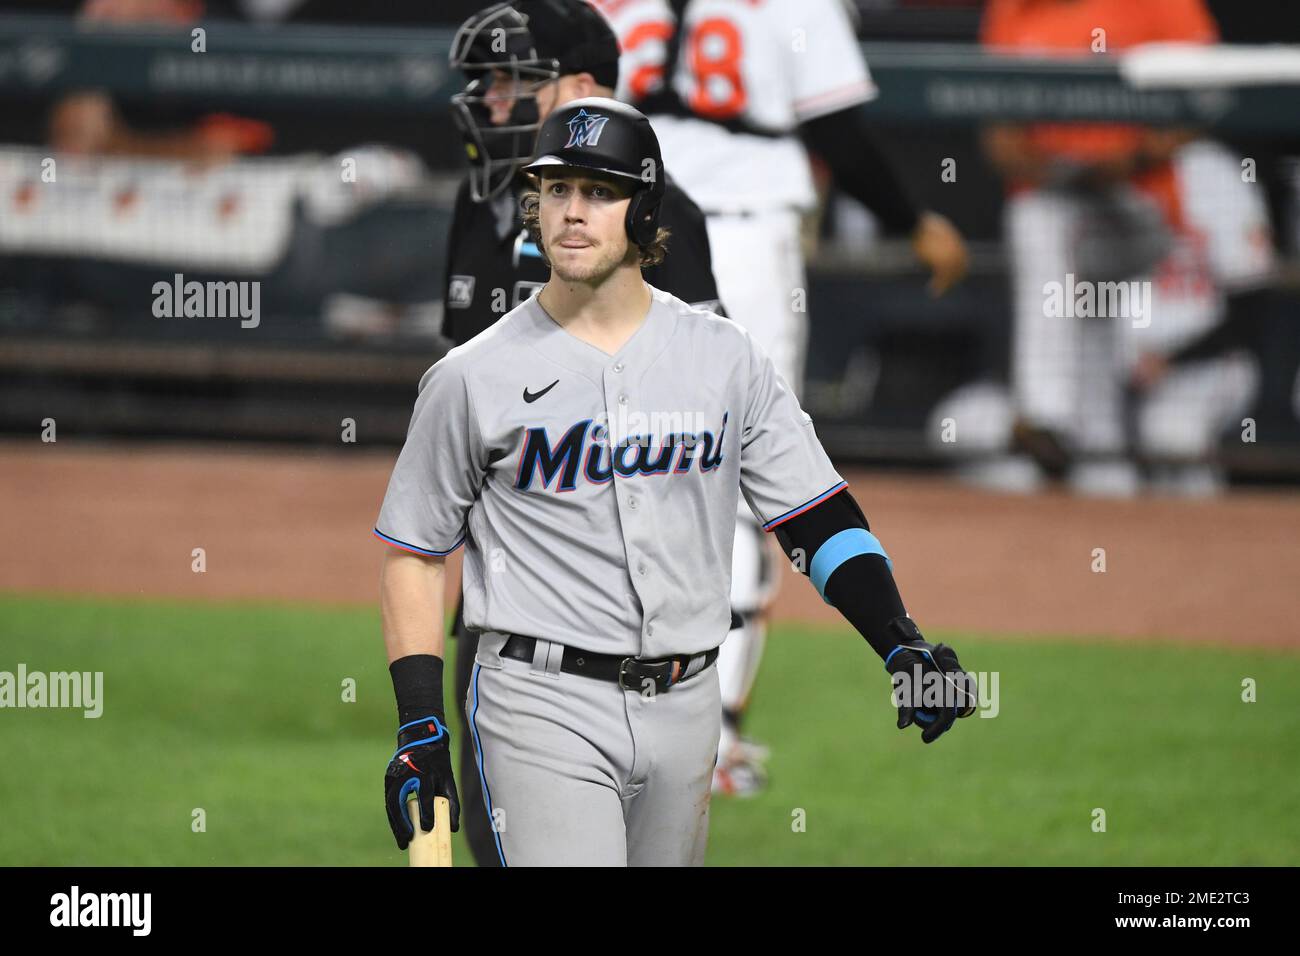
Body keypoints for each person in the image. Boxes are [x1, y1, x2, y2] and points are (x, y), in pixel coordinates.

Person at [375, 97, 976, 866]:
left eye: (599, 191)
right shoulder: (471, 376)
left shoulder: (722, 357)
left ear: (645, 207)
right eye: (556, 190)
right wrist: (422, 723)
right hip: (538, 703)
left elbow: (816, 515)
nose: (571, 212)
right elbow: (416, 552)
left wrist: (900, 644)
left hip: (688, 707)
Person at [589, 0, 970, 794]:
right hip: (746, 229)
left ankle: (601, 720)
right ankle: (712, 740)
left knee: (604, 465)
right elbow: (836, 130)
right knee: (743, 479)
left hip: (616, 226)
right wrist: (911, 219)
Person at [440, 0, 725, 865]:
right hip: (511, 608)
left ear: (581, 89)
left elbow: (712, 408)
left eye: (512, 81)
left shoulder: (664, 215)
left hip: (643, 618)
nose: (491, 101)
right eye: (484, 83)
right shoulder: (477, 204)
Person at [978, 0, 1274, 495]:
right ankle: (1052, 427)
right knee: (1040, 222)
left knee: (1172, 435)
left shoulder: (1163, 5)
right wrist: (1072, 168)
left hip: (1146, 207)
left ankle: (1049, 415)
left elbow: (1207, 101)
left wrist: (1131, 155)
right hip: (1069, 207)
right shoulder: (1014, 9)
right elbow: (999, 139)